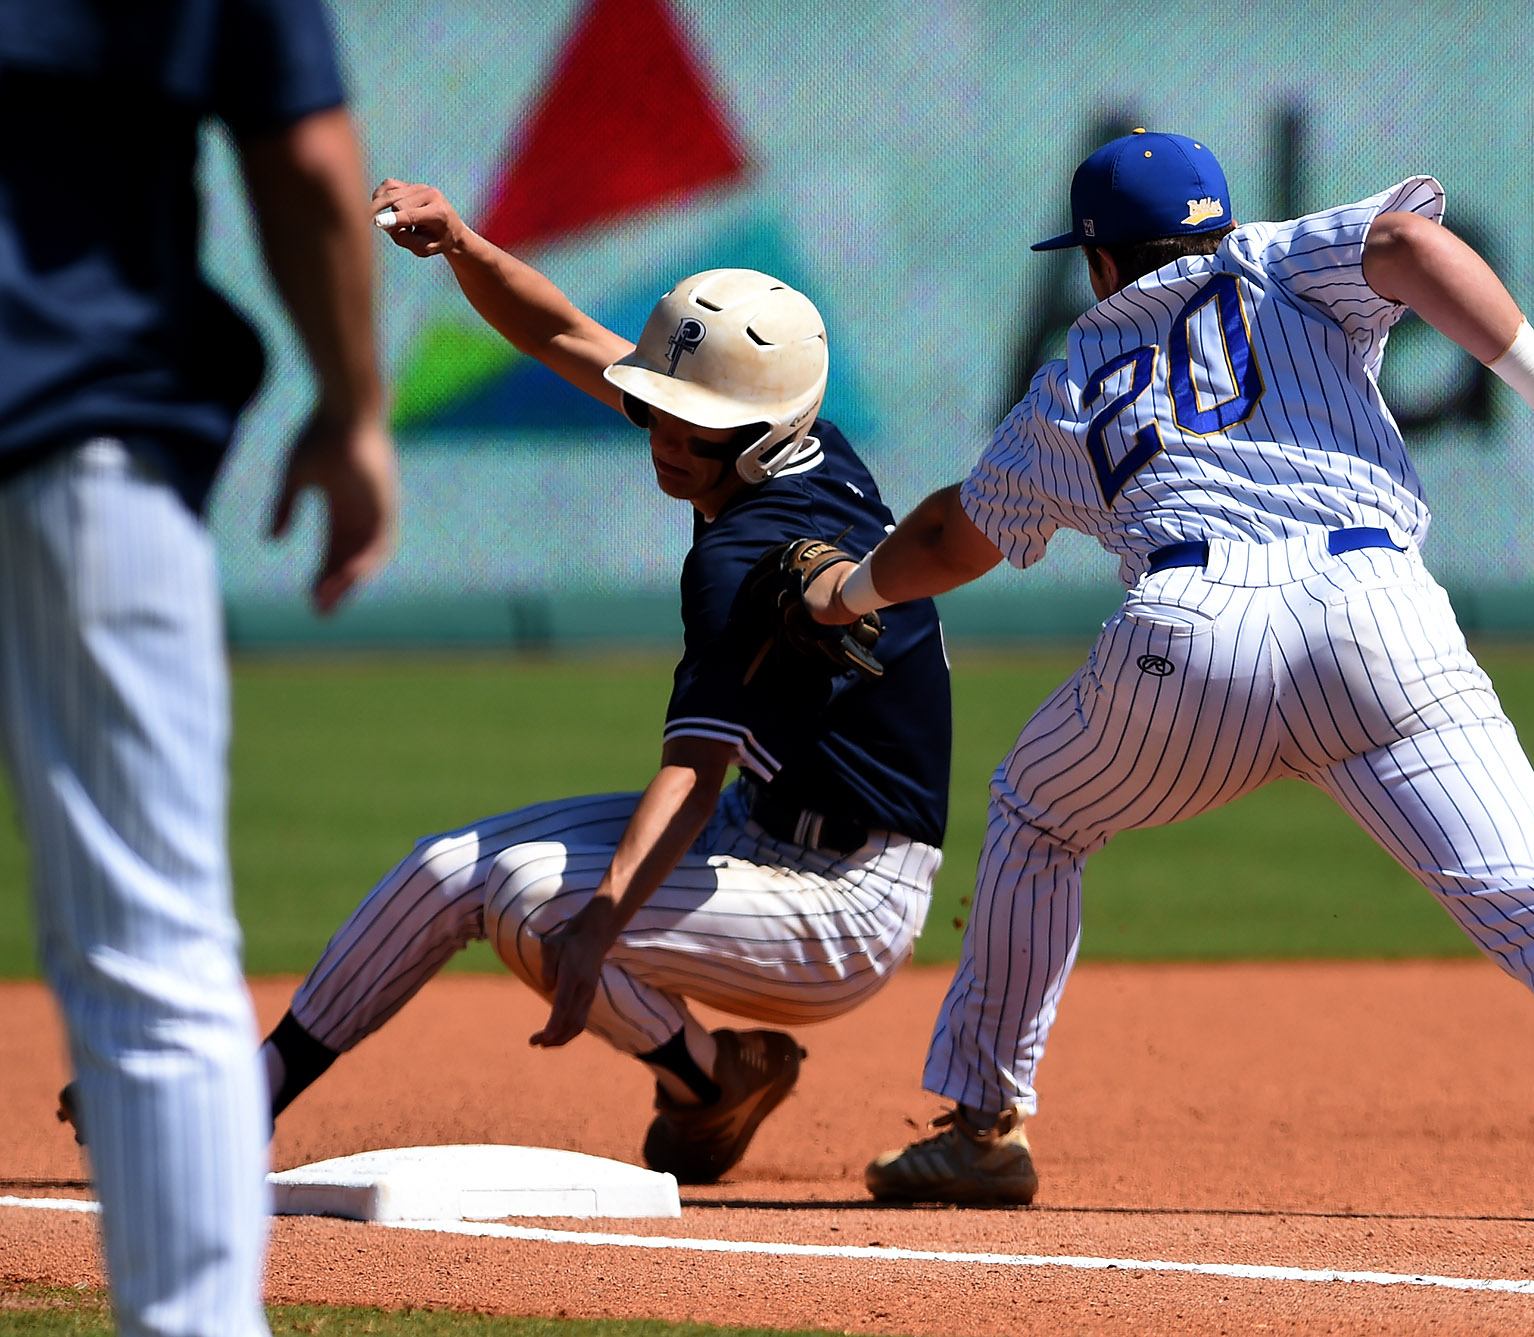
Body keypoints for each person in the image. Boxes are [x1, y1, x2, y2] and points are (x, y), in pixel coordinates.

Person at [802, 129, 1534, 1210]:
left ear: (1099, 261)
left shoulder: (1073, 375)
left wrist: (843, 594)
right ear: (1210, 222)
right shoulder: (1269, 258)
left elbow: (948, 536)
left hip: (1186, 633)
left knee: (1036, 812)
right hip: (1376, 613)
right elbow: (1404, 239)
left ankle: (982, 1124)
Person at [244, 181, 952, 1184]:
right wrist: (462, 245)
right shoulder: (776, 445)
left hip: (846, 898)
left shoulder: (743, 554)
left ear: (757, 431)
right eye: (658, 407)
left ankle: (707, 1078)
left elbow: (693, 771)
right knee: (449, 869)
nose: (662, 435)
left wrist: (601, 926)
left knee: (537, 903)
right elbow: (561, 333)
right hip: (757, 835)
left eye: (688, 420)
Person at [1, 1, 396, 1332]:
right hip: (71, 422)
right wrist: (350, 410)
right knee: (150, 945)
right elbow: (308, 163)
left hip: (73, 426)